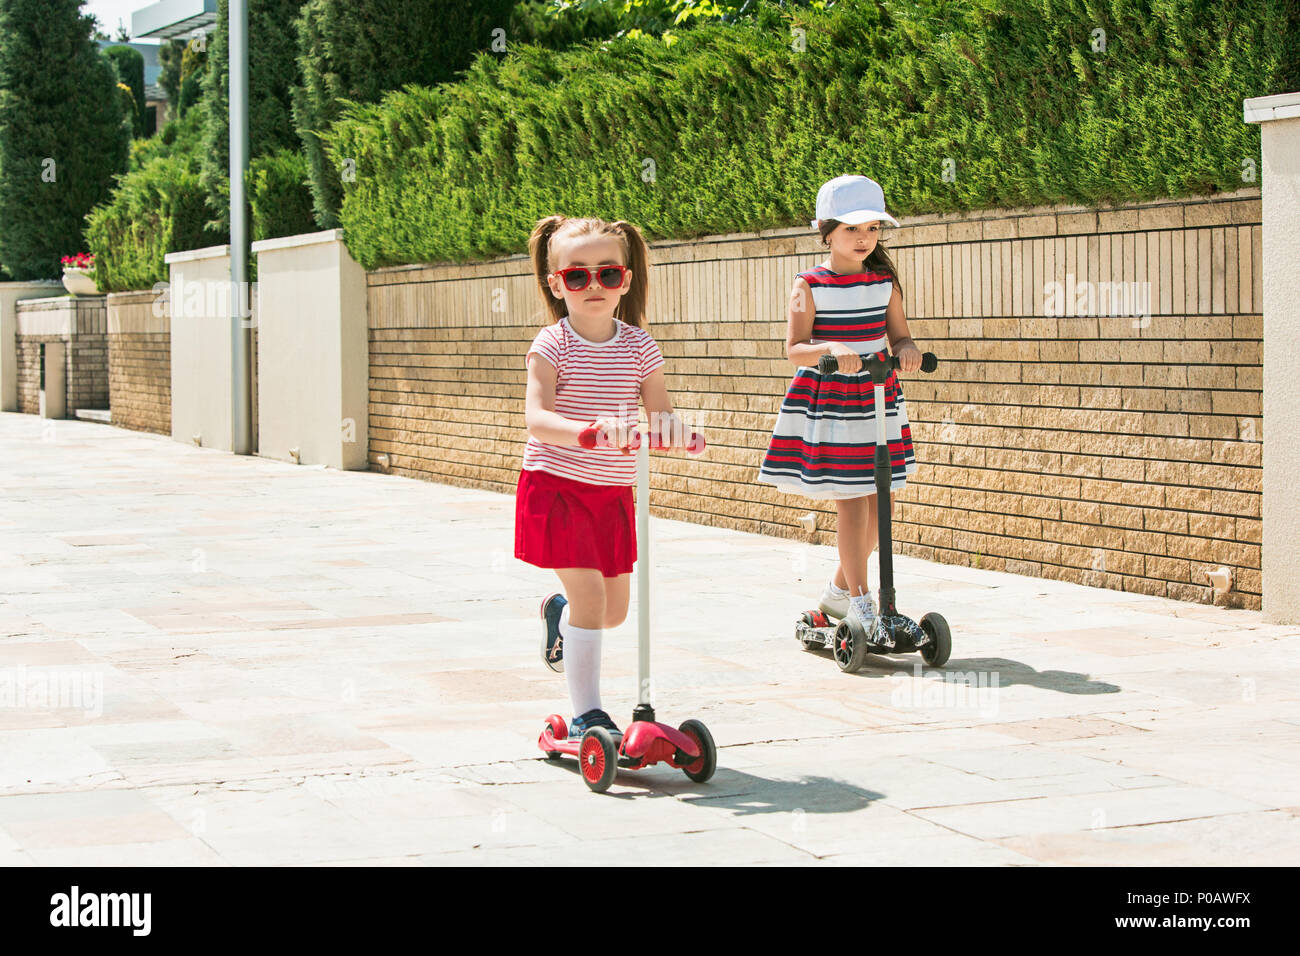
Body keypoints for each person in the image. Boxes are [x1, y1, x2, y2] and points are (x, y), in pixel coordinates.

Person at [516, 214, 691, 740]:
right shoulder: (553, 344)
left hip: (613, 491)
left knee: (612, 612)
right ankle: (586, 713)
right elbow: (537, 419)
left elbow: (659, 414)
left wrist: (679, 433)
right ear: (556, 283)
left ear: (626, 279)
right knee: (595, 604)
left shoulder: (639, 346)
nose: (593, 286)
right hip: (557, 486)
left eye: (607, 274)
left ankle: (561, 612)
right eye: (577, 276)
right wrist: (589, 431)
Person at [758, 175, 924, 646]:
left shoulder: (883, 281)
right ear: (826, 231)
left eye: (872, 228)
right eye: (852, 229)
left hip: (877, 398)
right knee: (852, 503)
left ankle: (835, 593)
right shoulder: (809, 284)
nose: (864, 238)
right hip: (834, 402)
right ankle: (862, 602)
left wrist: (908, 350)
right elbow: (794, 349)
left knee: (881, 507)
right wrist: (830, 347)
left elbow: (900, 335)